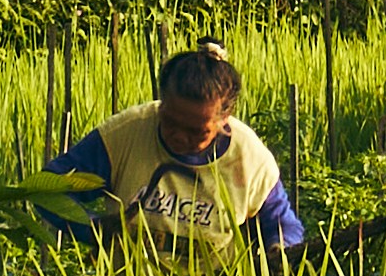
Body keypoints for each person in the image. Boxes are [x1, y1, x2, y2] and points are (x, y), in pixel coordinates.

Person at [48, 40, 308, 258]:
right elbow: (49, 189)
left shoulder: (248, 158)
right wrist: (90, 226)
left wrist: (278, 252)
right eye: (170, 122)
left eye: (197, 131)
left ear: (224, 120)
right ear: (161, 103)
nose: (180, 137)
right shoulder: (125, 135)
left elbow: (282, 225)